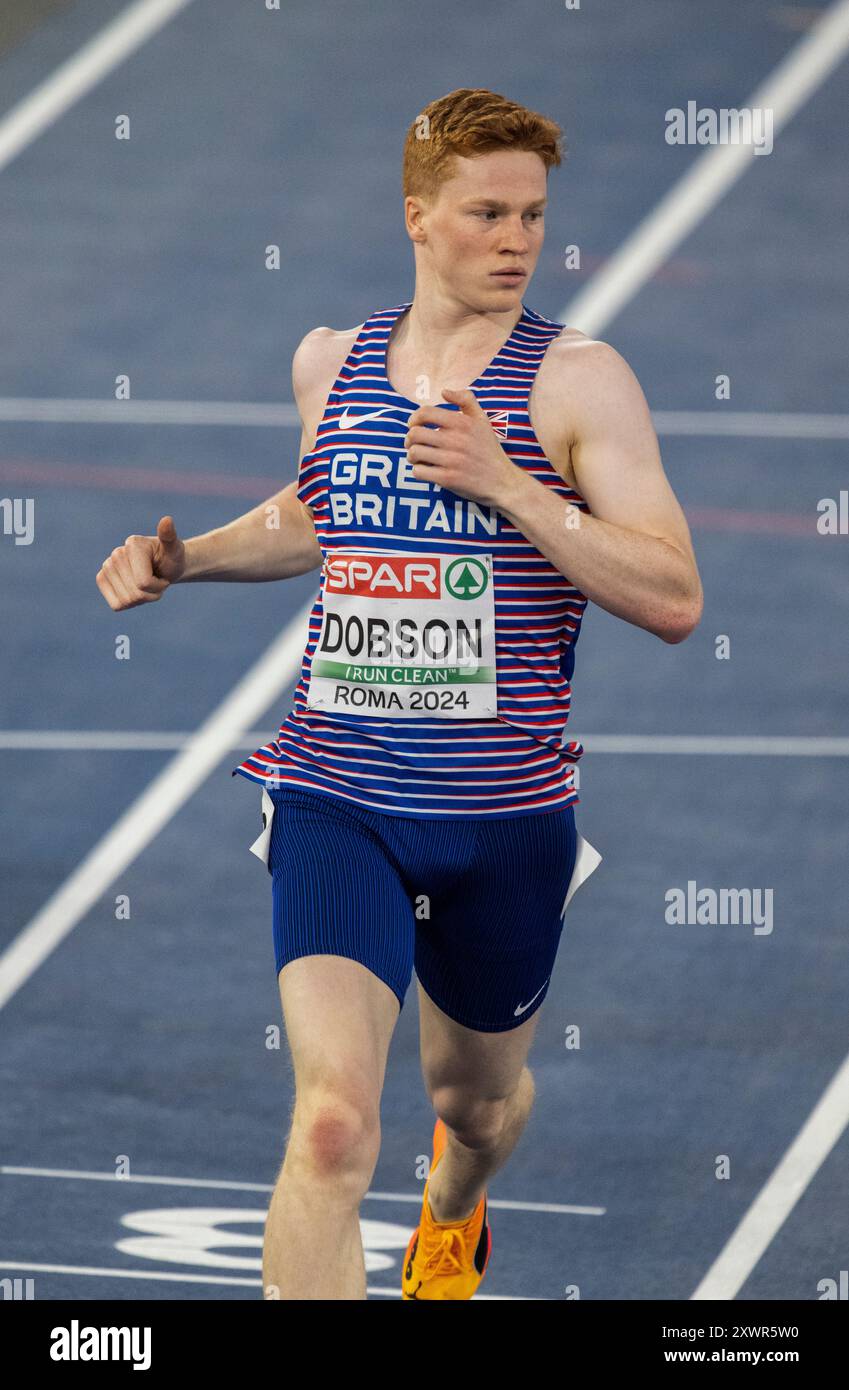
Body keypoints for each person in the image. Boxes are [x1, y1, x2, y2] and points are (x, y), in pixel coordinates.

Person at [96, 87, 703, 1301]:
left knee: (472, 1107)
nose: (518, 240)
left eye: (533, 214)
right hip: (338, 794)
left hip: (503, 819)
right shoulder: (336, 361)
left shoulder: (580, 383)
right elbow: (321, 509)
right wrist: (190, 557)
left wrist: (514, 489)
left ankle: (455, 1211)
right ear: (418, 217)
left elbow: (676, 595)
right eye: (488, 213)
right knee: (330, 1126)